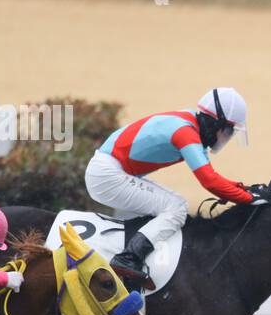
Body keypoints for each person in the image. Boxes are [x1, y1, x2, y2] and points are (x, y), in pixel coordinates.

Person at [87, 87, 257, 288]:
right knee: (176, 208)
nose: (227, 138)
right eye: (228, 131)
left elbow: (214, 177)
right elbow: (209, 181)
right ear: (215, 123)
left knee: (171, 205)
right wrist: (250, 199)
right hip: (107, 174)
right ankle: (128, 258)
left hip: (110, 170)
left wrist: (245, 189)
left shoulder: (191, 124)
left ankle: (135, 257)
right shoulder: (186, 133)